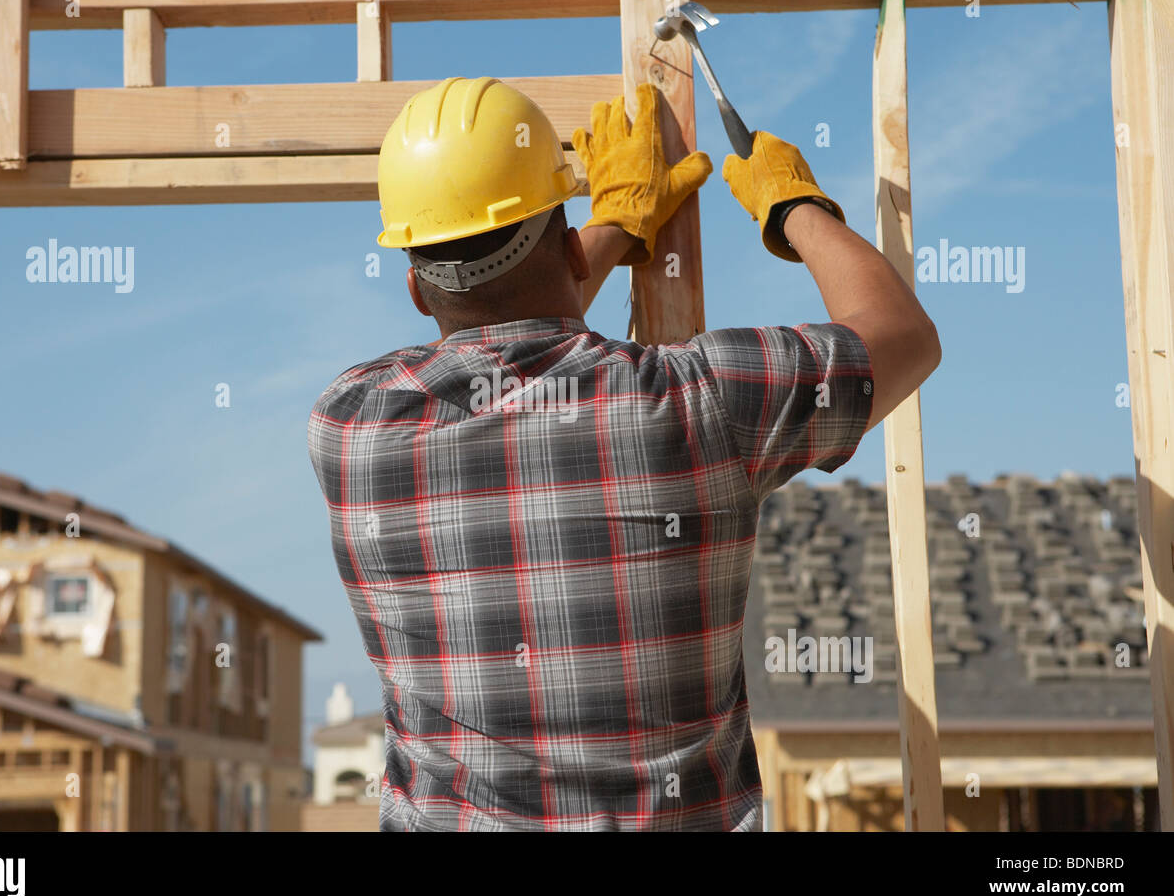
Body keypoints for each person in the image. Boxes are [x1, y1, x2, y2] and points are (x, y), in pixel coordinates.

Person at [308, 76, 941, 830]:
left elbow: (505, 355)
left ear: (415, 289)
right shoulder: (705, 399)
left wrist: (611, 226)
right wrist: (793, 207)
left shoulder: (351, 426)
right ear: (569, 248)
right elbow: (903, 335)